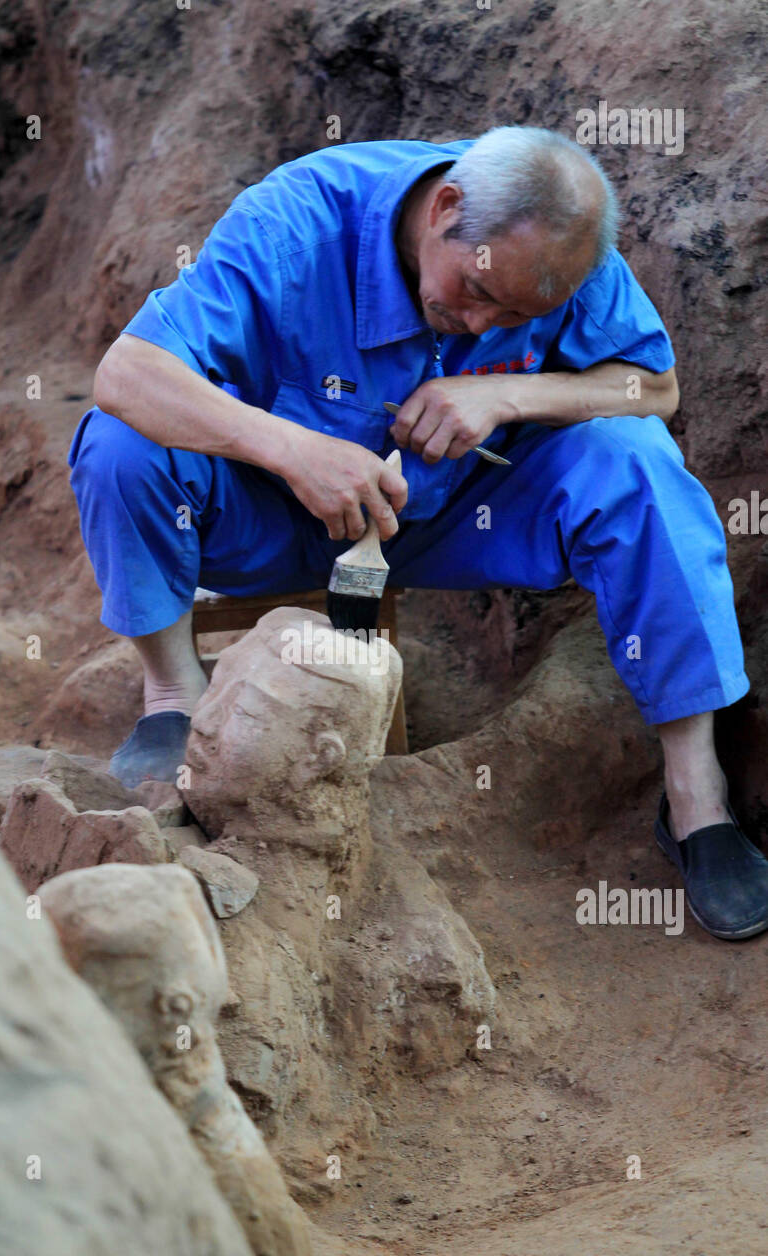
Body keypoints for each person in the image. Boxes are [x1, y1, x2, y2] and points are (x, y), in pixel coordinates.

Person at [68, 125, 767, 941]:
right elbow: (128, 374)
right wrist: (291, 450)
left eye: (515, 315)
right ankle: (172, 696)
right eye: (476, 294)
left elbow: (654, 386)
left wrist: (509, 398)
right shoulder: (298, 221)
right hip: (265, 518)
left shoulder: (562, 250)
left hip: (450, 519)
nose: (482, 324)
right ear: (445, 209)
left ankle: (697, 800)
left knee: (636, 459)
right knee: (120, 444)